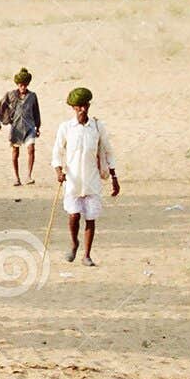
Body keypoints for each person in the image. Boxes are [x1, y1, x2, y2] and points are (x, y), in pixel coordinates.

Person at [50, 86, 119, 266]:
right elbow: (57, 152)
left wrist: (114, 177)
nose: (82, 109)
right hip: (73, 181)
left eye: (85, 106)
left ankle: (86, 255)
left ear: (88, 105)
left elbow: (108, 151)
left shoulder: (97, 126)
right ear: (73, 108)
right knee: (74, 215)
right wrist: (59, 171)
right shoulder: (66, 128)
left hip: (92, 180)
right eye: (78, 107)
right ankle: (74, 243)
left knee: (90, 217)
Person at [0, 67, 41, 185]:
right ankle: (17, 178)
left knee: (31, 149)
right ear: (18, 84)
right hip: (16, 128)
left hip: (30, 127)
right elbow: (0, 107)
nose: (23, 87)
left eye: (25, 85)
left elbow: (36, 112)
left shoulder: (32, 96)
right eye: (21, 85)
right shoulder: (10, 95)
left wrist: (38, 127)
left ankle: (29, 176)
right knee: (15, 152)